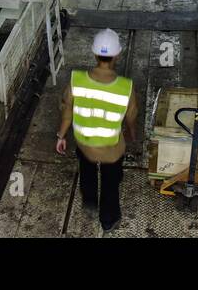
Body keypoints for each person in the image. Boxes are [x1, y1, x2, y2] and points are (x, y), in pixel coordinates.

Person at [56, 28, 138, 232]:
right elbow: (131, 116)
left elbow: (67, 111)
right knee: (111, 183)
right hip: (111, 148)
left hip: (85, 144)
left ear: (94, 54)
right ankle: (108, 219)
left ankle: (90, 201)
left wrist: (61, 135)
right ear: (117, 56)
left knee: (87, 171)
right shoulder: (125, 87)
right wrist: (131, 133)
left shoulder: (77, 79)